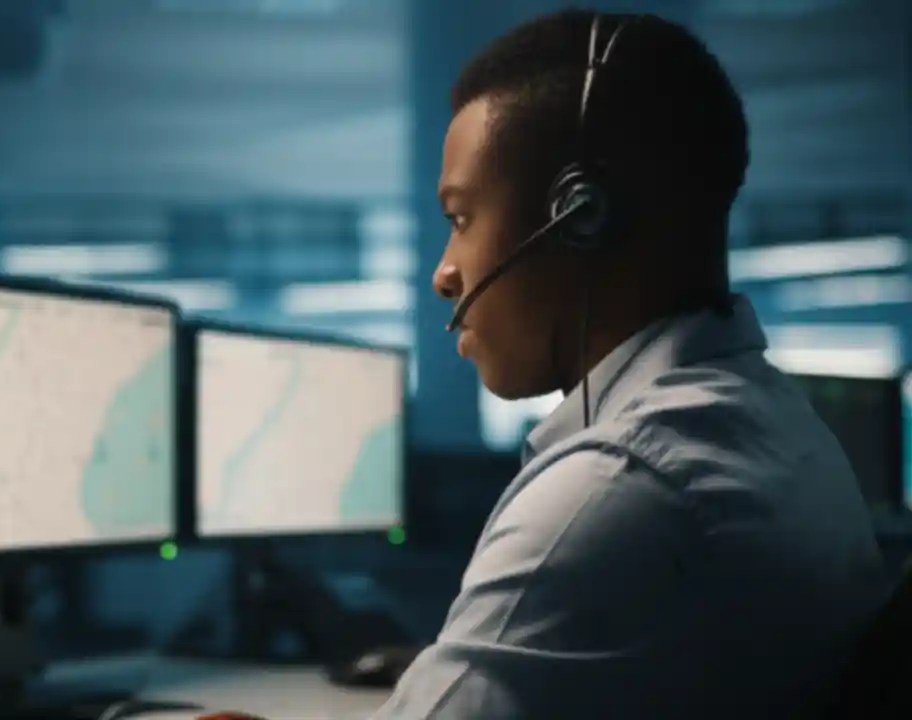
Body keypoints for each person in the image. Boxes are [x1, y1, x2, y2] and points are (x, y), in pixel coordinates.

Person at [369, 9, 891, 720]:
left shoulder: (618, 488)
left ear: (578, 215)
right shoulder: (777, 426)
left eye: (461, 219)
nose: (444, 273)